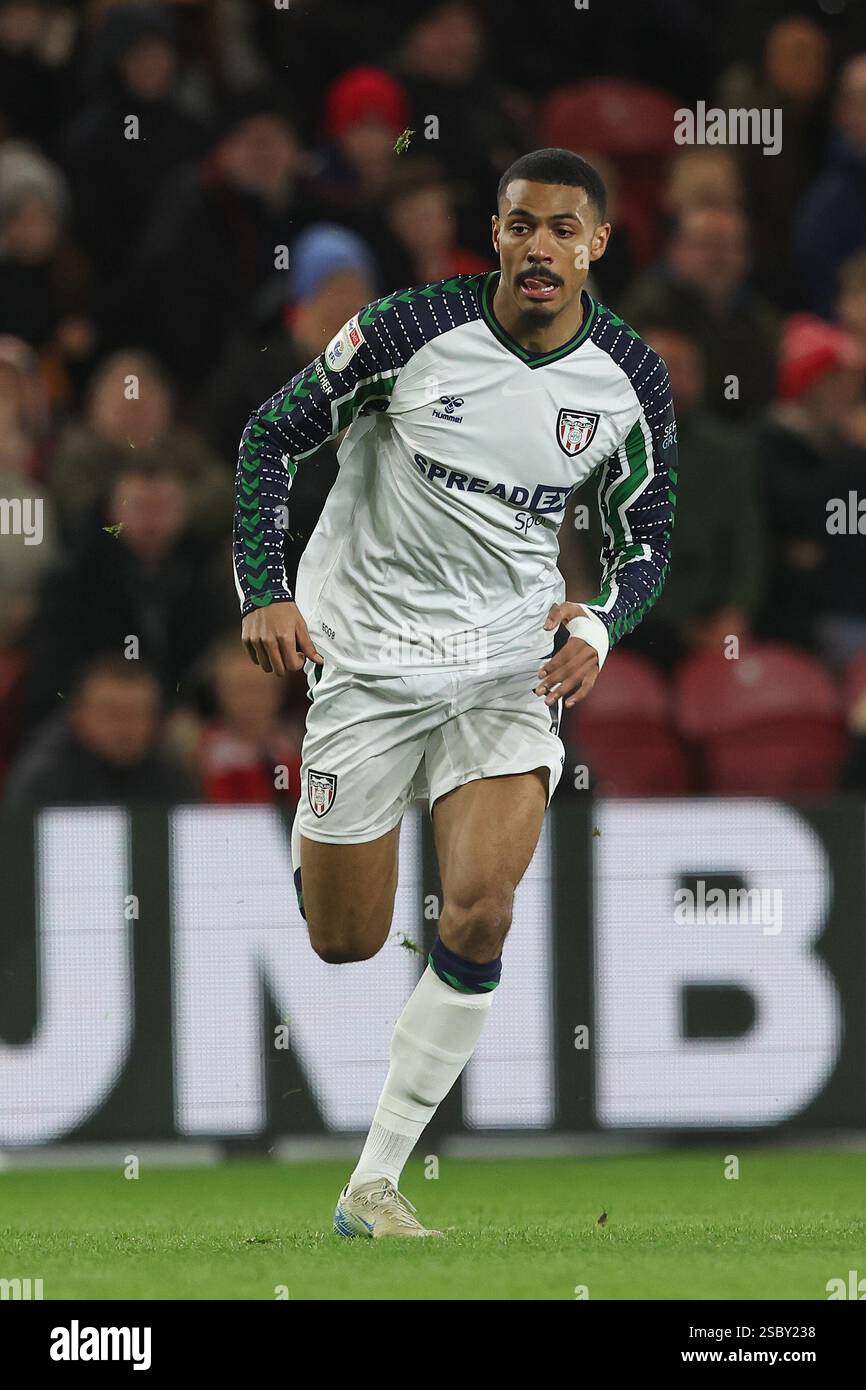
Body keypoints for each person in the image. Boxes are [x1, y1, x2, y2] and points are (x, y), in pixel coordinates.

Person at [233, 148, 677, 1237]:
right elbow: (267, 439)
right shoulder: (403, 332)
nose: (539, 246)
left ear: (596, 245)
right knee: (346, 939)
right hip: (367, 667)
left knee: (480, 909)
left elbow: (646, 537)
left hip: (501, 668)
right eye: (521, 225)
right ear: (495, 234)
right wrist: (264, 591)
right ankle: (324, 860)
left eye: (562, 230)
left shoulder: (626, 376)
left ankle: (373, 1181)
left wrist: (598, 623)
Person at [4, 654, 197, 807]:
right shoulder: (43, 783)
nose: (125, 726)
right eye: (112, 713)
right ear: (78, 716)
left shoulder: (172, 779)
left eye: (138, 713)